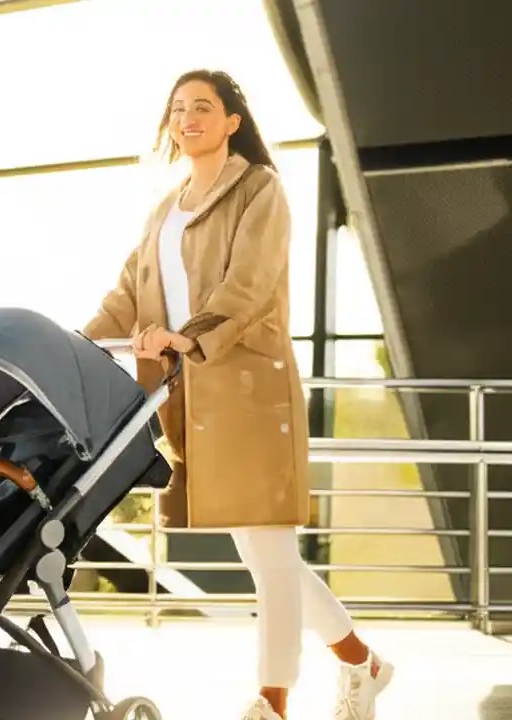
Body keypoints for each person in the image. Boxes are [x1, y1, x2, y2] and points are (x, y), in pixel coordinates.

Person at [82, 69, 394, 720]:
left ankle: (273, 699)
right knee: (263, 549)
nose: (188, 117)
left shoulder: (261, 190)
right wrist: (76, 343)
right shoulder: (164, 210)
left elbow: (249, 286)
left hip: (250, 391)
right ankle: (362, 661)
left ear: (231, 122)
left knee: (270, 550)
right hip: (190, 397)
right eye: (177, 109)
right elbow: (127, 293)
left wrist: (182, 336)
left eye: (203, 107)